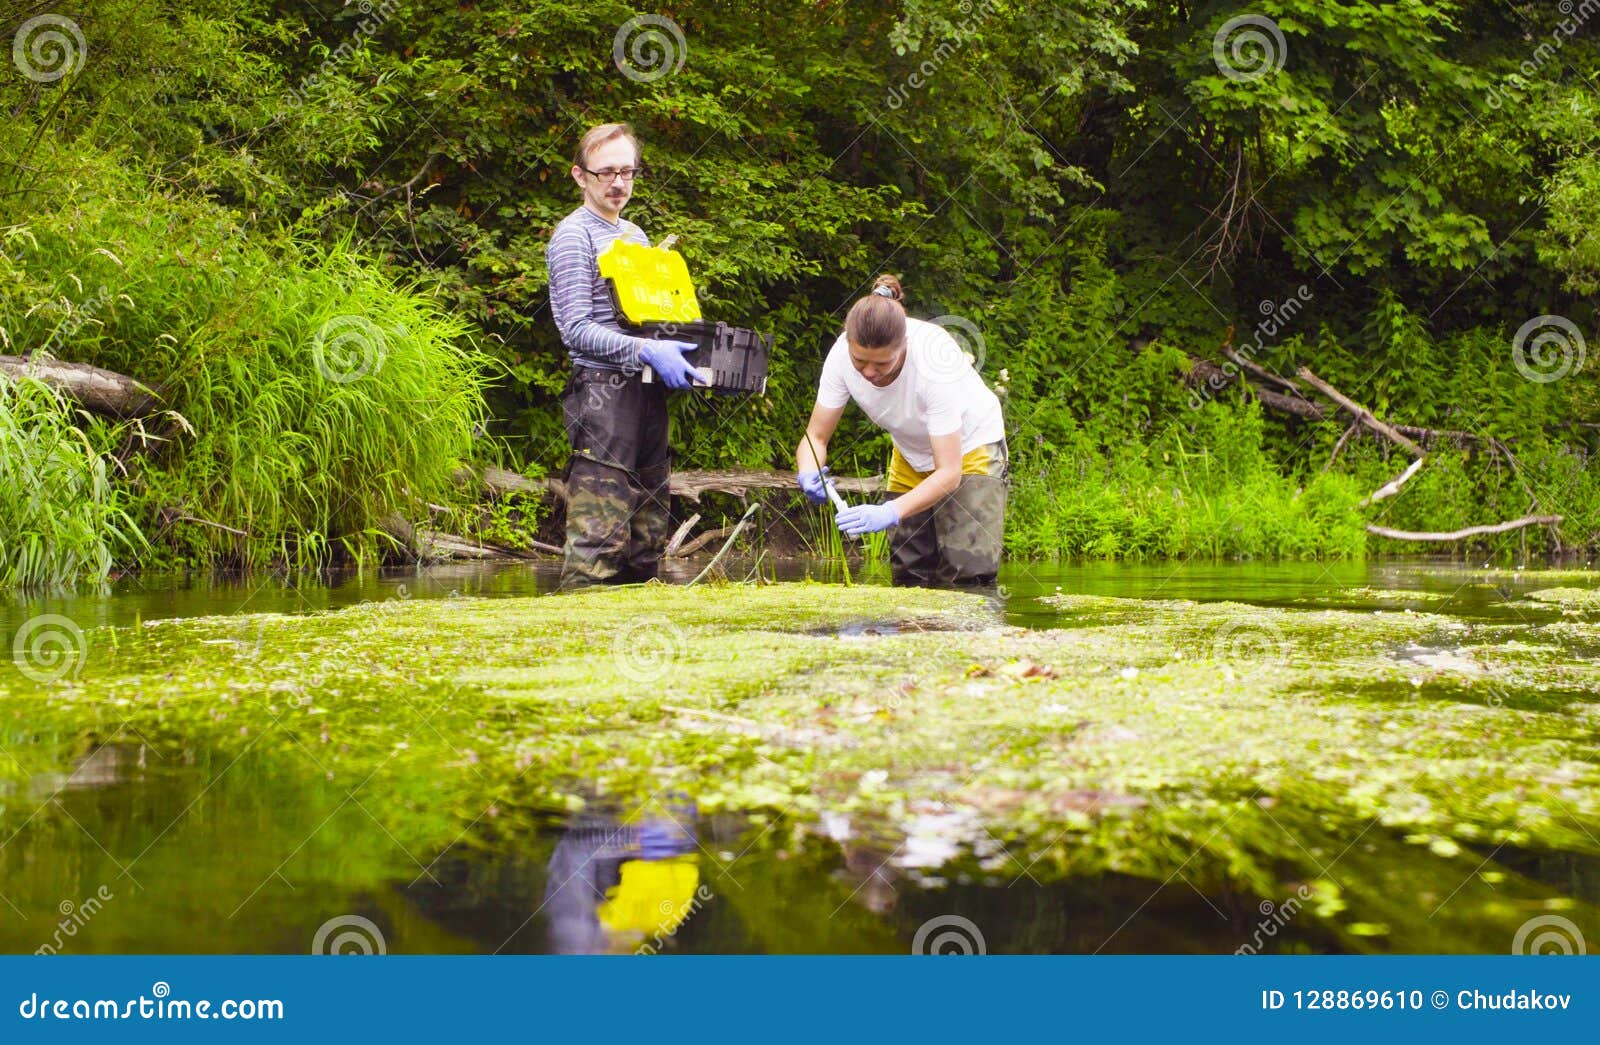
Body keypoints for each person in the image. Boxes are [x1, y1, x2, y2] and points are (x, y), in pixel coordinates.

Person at [545, 122, 702, 587]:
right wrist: (647, 348)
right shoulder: (573, 237)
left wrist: (673, 345)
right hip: (600, 396)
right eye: (606, 172)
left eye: (627, 172)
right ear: (580, 176)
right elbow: (574, 329)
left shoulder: (635, 235)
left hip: (646, 389)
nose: (618, 183)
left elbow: (649, 314)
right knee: (597, 543)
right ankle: (582, 642)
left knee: (647, 536)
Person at [794, 274, 1007, 587]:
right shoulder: (840, 356)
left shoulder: (934, 361)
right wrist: (807, 470)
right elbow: (816, 437)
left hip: (971, 446)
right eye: (860, 361)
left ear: (903, 345)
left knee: (966, 574)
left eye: (882, 364)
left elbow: (949, 473)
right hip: (911, 451)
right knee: (909, 572)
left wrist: (889, 511)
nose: (869, 372)